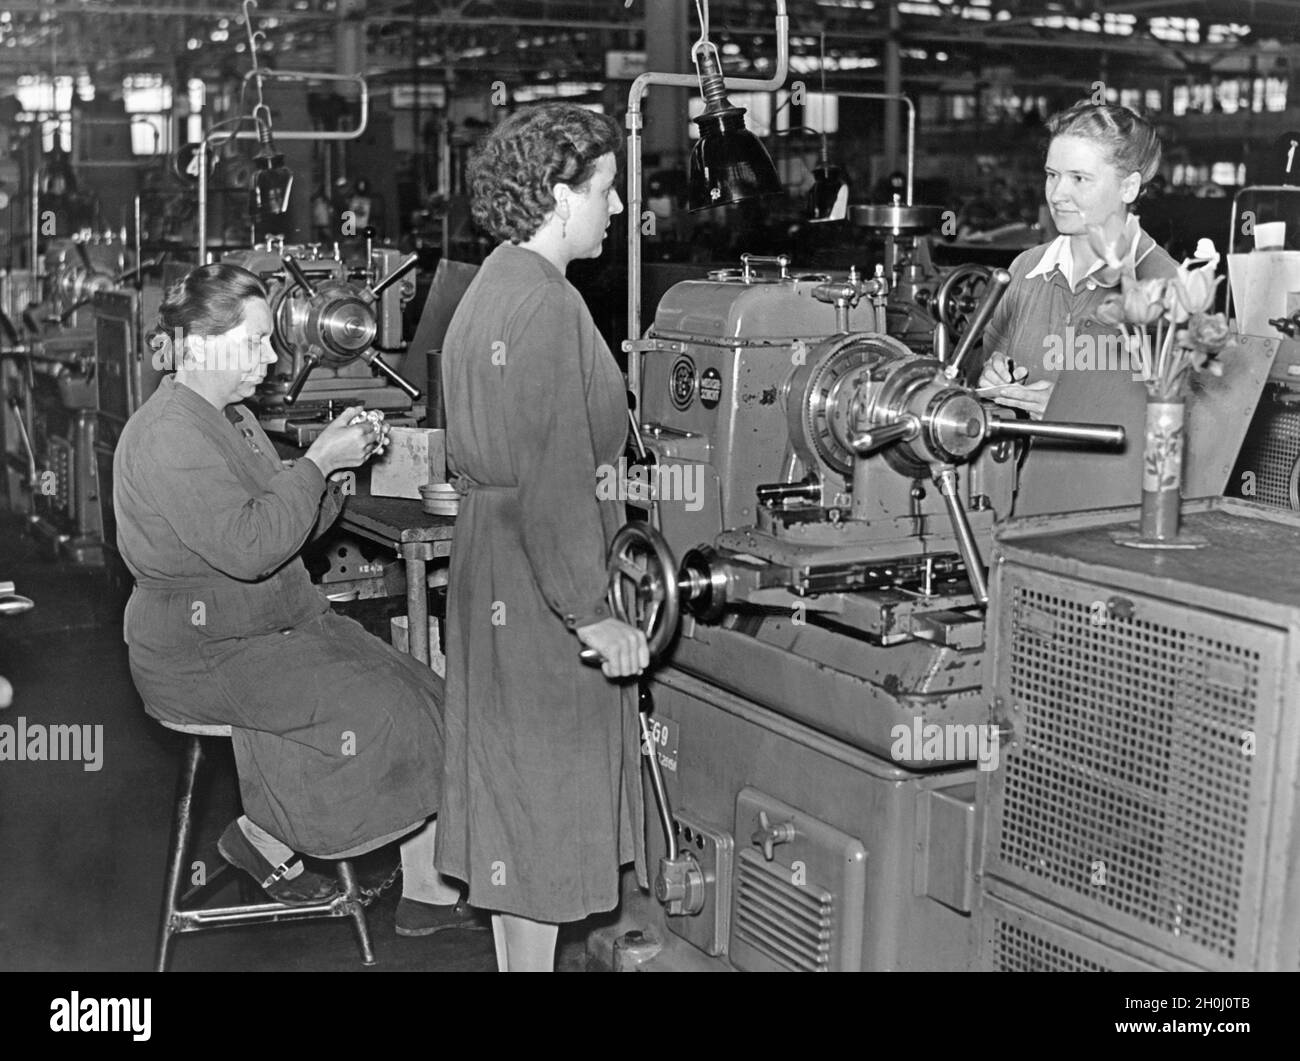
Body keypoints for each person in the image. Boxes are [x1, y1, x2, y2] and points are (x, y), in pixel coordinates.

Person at [114, 263, 471, 936]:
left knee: (430, 694)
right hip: (202, 651)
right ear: (198, 344)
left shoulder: (234, 418)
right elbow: (252, 544)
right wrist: (315, 463)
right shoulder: (167, 434)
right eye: (254, 341)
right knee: (382, 711)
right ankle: (267, 835)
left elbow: (289, 522)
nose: (272, 355)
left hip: (272, 624)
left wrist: (335, 467)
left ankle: (425, 893)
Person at [436, 103, 649, 972]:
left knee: (513, 816)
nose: (620, 210)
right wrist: (593, 612)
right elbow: (560, 477)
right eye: (606, 190)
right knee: (546, 814)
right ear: (561, 196)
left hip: (492, 562)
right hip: (539, 582)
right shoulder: (549, 308)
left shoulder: (486, 287)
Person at [978, 101, 1179, 418]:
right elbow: (985, 369)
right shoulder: (1025, 269)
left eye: (1079, 179)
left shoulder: (1166, 286)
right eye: (1052, 175)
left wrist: (1076, 411)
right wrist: (993, 376)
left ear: (1128, 187)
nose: (1057, 194)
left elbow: (1183, 422)